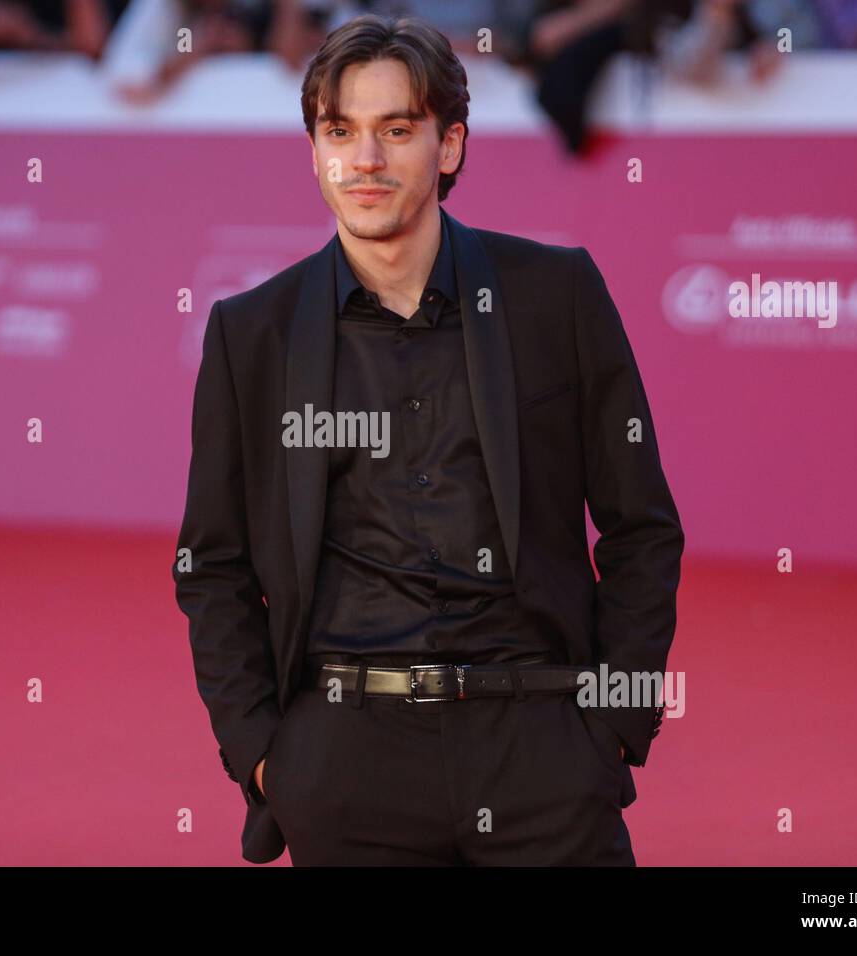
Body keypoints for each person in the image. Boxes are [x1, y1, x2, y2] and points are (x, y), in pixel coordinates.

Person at [172, 12, 683, 866]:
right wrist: (265, 755)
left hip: (543, 753)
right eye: (340, 132)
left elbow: (642, 527)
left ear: (448, 147)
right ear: (315, 150)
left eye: (396, 130)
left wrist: (613, 729)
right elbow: (212, 564)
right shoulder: (250, 334)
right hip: (344, 769)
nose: (364, 161)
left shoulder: (554, 297)